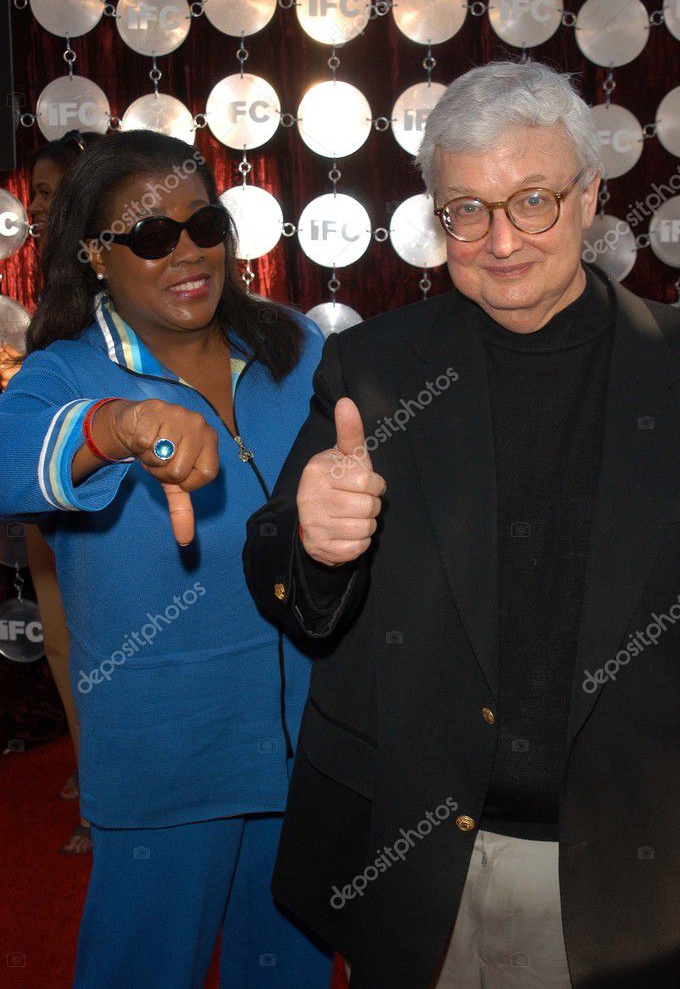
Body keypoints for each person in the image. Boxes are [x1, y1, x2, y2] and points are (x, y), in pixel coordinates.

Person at [243, 59, 680, 988]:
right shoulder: (372, 368)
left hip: (634, 871)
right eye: (465, 210)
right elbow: (283, 580)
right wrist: (316, 546)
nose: (501, 240)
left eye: (532, 200)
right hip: (414, 856)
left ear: (593, 194)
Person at [0, 129, 333, 988]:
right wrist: (114, 427)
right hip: (166, 764)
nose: (186, 252)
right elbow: (11, 457)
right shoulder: (65, 374)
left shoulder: (300, 349)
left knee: (289, 973)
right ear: (95, 257)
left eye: (205, 225)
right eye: (150, 236)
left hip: (310, 754)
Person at [28, 128, 104, 854]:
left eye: (49, 194)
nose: (37, 209)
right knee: (57, 640)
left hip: (107, 496)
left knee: (95, 642)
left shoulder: (119, 275)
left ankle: (106, 797)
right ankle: (92, 769)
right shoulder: (51, 283)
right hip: (40, 484)